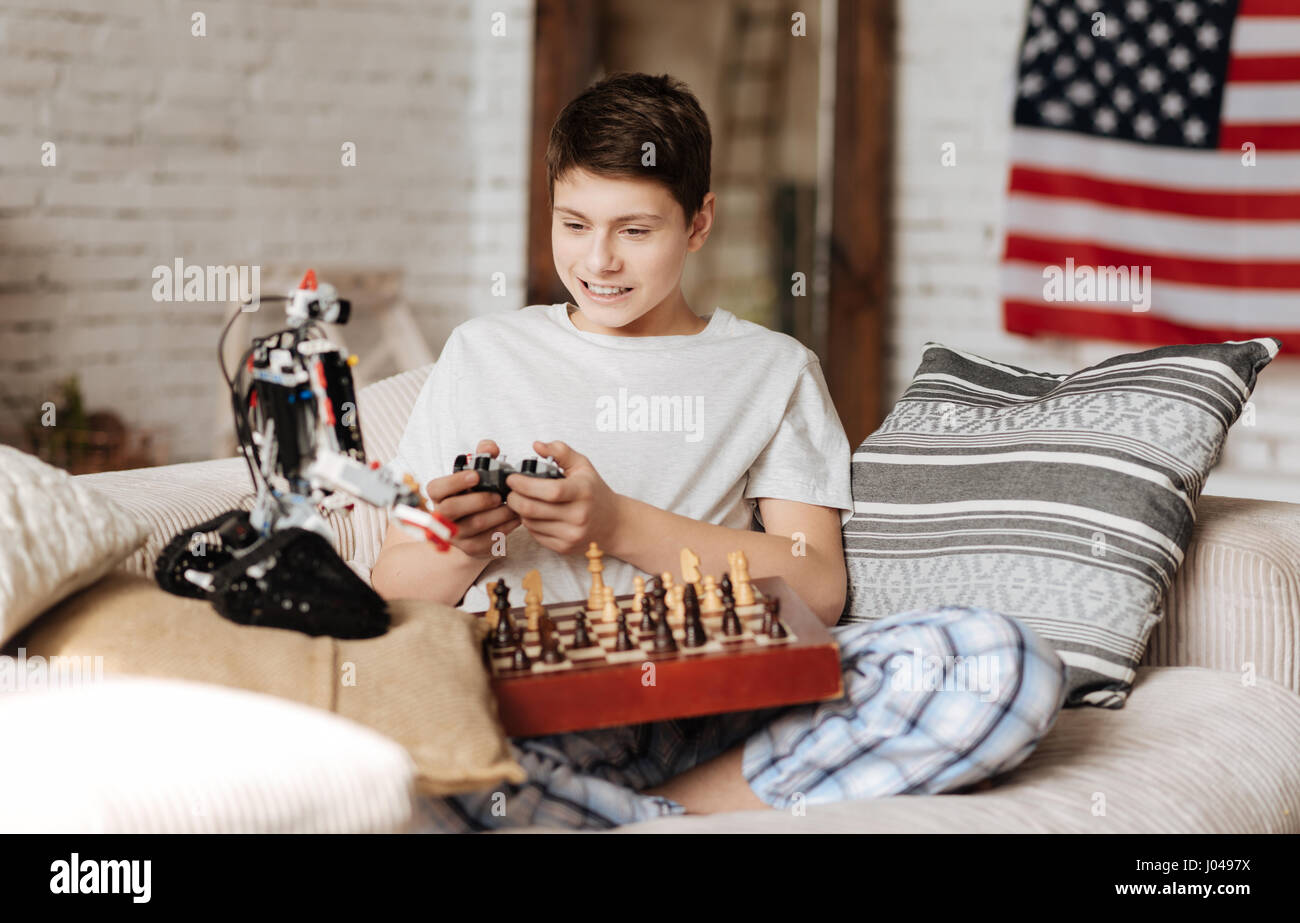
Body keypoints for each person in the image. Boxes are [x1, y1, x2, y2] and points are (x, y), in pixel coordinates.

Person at [371, 72, 1067, 832]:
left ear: (699, 222)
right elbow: (394, 594)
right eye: (574, 224)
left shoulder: (775, 369)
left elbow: (818, 583)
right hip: (537, 710)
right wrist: (468, 543)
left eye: (635, 231)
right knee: (382, 751)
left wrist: (614, 525)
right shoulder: (482, 352)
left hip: (720, 711)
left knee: (1002, 661)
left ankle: (643, 811)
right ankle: (647, 813)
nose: (599, 261)